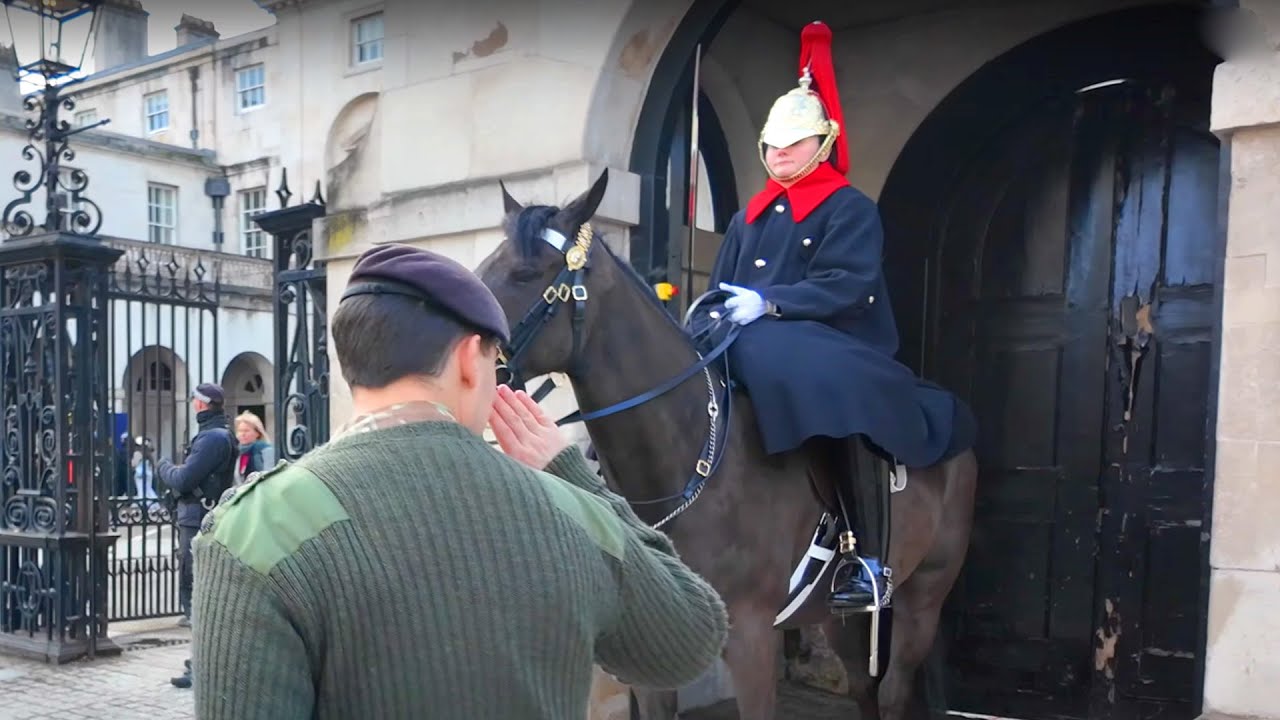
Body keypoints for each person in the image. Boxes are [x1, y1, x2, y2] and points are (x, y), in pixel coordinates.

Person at [189, 244, 729, 718]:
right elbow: (690, 638)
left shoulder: (253, 530)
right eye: (498, 363)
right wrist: (575, 480)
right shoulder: (569, 511)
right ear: (472, 359)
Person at [705, 21, 976, 614]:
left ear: (822, 144)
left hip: (835, 336)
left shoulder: (848, 208)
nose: (780, 154)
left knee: (820, 379)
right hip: (750, 335)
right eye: (772, 145)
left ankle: (865, 554)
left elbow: (846, 285)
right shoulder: (748, 215)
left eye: (794, 144)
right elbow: (724, 285)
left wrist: (771, 302)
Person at [156, 383, 237, 628]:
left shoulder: (212, 437)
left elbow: (184, 478)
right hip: (205, 510)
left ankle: (195, 614)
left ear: (201, 404)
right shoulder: (218, 433)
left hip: (198, 512)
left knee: (192, 566)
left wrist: (163, 466)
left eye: (194, 400)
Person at [231, 411, 275, 486]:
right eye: (240, 431)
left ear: (257, 433)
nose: (242, 434)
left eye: (246, 431)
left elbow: (269, 474)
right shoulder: (237, 452)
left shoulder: (266, 450)